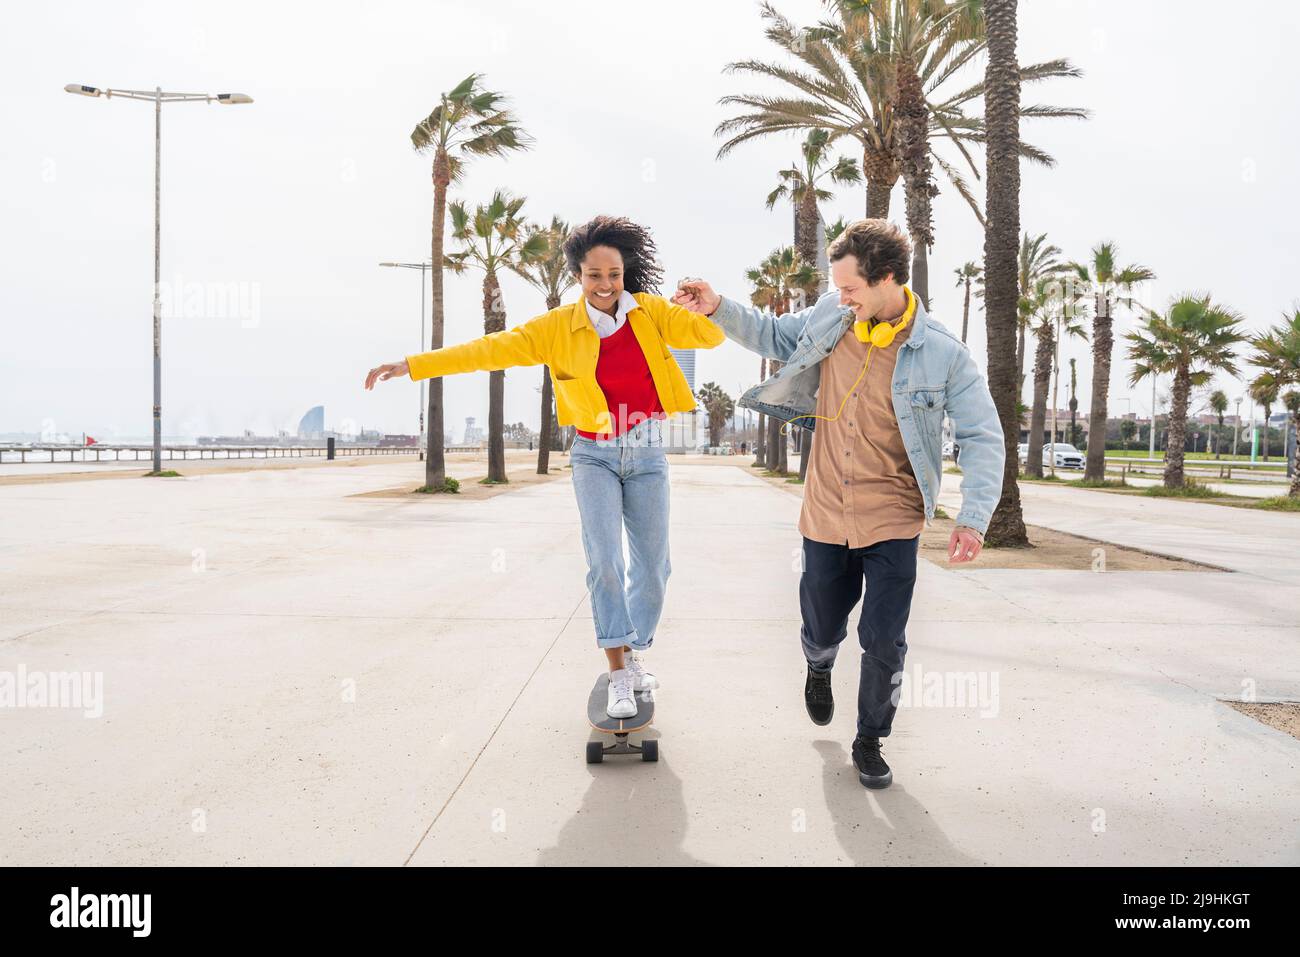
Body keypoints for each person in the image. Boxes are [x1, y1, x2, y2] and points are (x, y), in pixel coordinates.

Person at [672, 219, 1005, 789]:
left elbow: (982, 434)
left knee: (883, 637)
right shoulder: (832, 315)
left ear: (888, 280)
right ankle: (818, 662)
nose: (842, 298)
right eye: (839, 288)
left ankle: (870, 739)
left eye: (851, 288)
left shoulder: (943, 354)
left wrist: (973, 518)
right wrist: (718, 305)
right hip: (826, 509)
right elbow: (776, 335)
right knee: (823, 623)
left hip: (894, 516)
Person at [365, 216, 724, 717]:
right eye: (594, 274)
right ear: (578, 274)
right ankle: (618, 670)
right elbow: (488, 350)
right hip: (593, 455)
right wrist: (414, 365)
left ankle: (634, 649)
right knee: (604, 562)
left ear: (625, 273)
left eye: (614, 274)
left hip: (646, 453)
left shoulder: (651, 313)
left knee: (655, 568)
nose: (605, 285)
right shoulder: (557, 327)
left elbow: (708, 339)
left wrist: (708, 305)